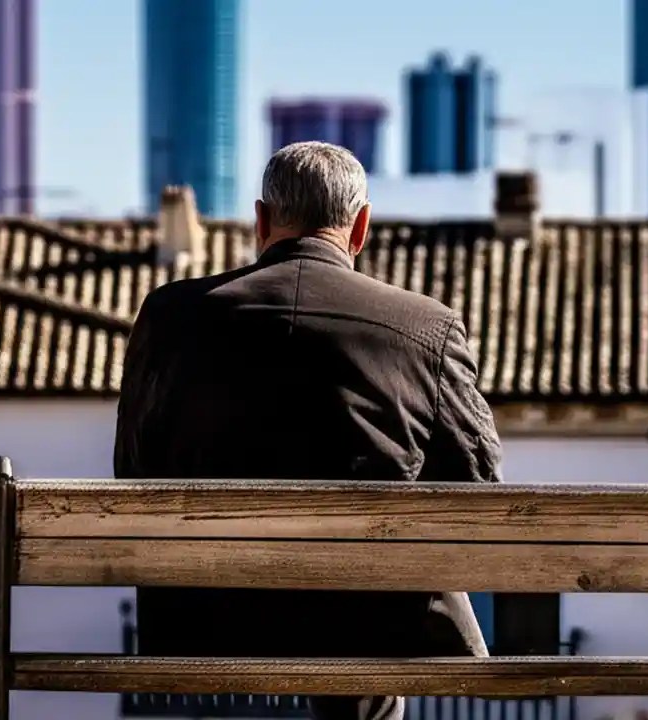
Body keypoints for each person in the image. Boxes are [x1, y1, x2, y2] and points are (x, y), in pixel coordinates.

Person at [114, 142, 503, 720]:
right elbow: (478, 486)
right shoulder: (428, 329)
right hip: (368, 632)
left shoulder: (169, 315)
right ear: (361, 227)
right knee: (365, 635)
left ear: (262, 221)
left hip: (205, 623)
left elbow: (133, 469)